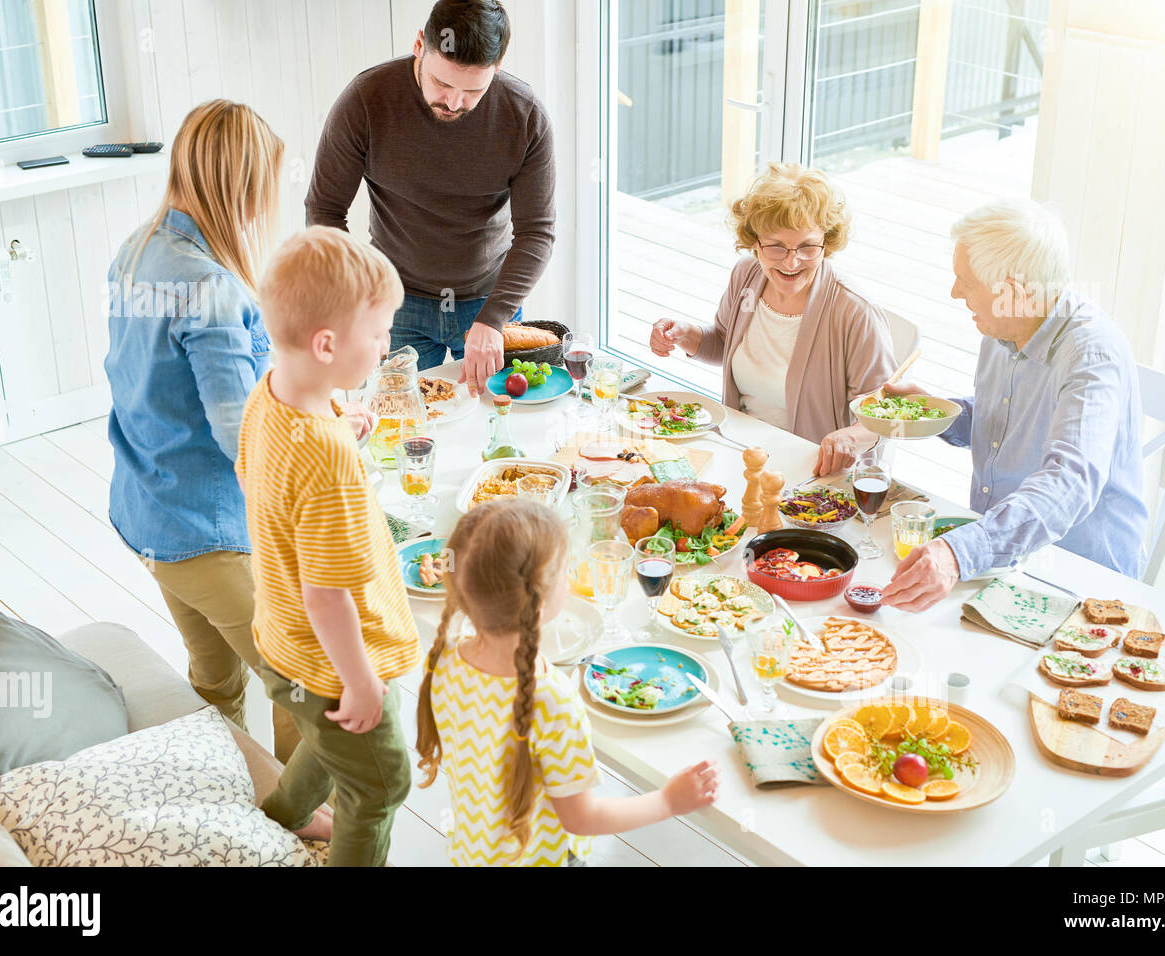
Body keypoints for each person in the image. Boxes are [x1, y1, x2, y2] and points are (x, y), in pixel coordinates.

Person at [104, 100, 374, 764]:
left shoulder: (136, 254)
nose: (270, 200)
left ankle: (225, 805)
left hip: (148, 513)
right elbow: (242, 438)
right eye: (267, 184)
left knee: (216, 681)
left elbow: (168, 390)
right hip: (206, 532)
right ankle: (303, 828)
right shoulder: (211, 288)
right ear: (240, 185)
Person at [236, 226, 421, 866]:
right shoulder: (326, 455)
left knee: (325, 739)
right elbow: (327, 596)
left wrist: (338, 427)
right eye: (378, 333)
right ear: (327, 344)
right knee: (380, 783)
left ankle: (280, 818)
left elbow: (280, 480)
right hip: (331, 663)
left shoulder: (269, 396)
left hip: (282, 647)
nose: (386, 343)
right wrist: (361, 682)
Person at [414, 499, 720, 866]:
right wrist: (668, 800)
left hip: (474, 854)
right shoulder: (552, 699)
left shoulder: (446, 659)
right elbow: (581, 818)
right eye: (563, 571)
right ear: (539, 599)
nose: (569, 578)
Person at [881, 199, 1146, 613]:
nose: (955, 293)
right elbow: (1008, 420)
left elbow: (1069, 482)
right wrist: (938, 412)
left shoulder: (1092, 353)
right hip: (998, 561)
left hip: (1076, 583)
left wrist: (959, 553)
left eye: (966, 283)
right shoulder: (1004, 325)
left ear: (1012, 293)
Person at [305, 0, 555, 393]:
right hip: (395, 300)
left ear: (499, 65)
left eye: (473, 89)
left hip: (489, 302)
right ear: (420, 45)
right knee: (402, 430)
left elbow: (537, 232)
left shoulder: (524, 115)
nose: (454, 103)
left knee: (495, 425)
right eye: (442, 83)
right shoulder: (366, 100)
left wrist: (493, 319)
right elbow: (325, 209)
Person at [648, 162, 895, 469]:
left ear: (826, 242)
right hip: (738, 448)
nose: (792, 262)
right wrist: (685, 334)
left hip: (810, 472)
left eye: (807, 247)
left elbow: (883, 415)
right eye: (777, 247)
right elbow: (725, 343)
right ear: (755, 241)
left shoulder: (855, 311)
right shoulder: (746, 275)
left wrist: (850, 438)